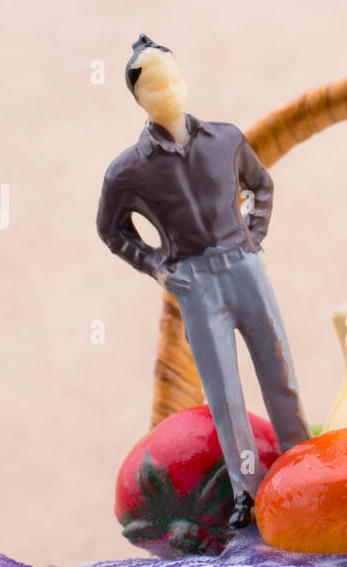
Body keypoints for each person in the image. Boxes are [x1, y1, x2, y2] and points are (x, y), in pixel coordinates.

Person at [96, 34, 310, 528]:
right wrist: (157, 266)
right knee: (223, 389)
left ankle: (301, 462)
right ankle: (248, 490)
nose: (168, 91)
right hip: (194, 279)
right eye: (155, 85)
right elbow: (111, 229)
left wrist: (253, 237)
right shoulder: (128, 171)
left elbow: (261, 185)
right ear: (139, 98)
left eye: (173, 78)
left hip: (242, 265)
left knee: (277, 364)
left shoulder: (227, 139)